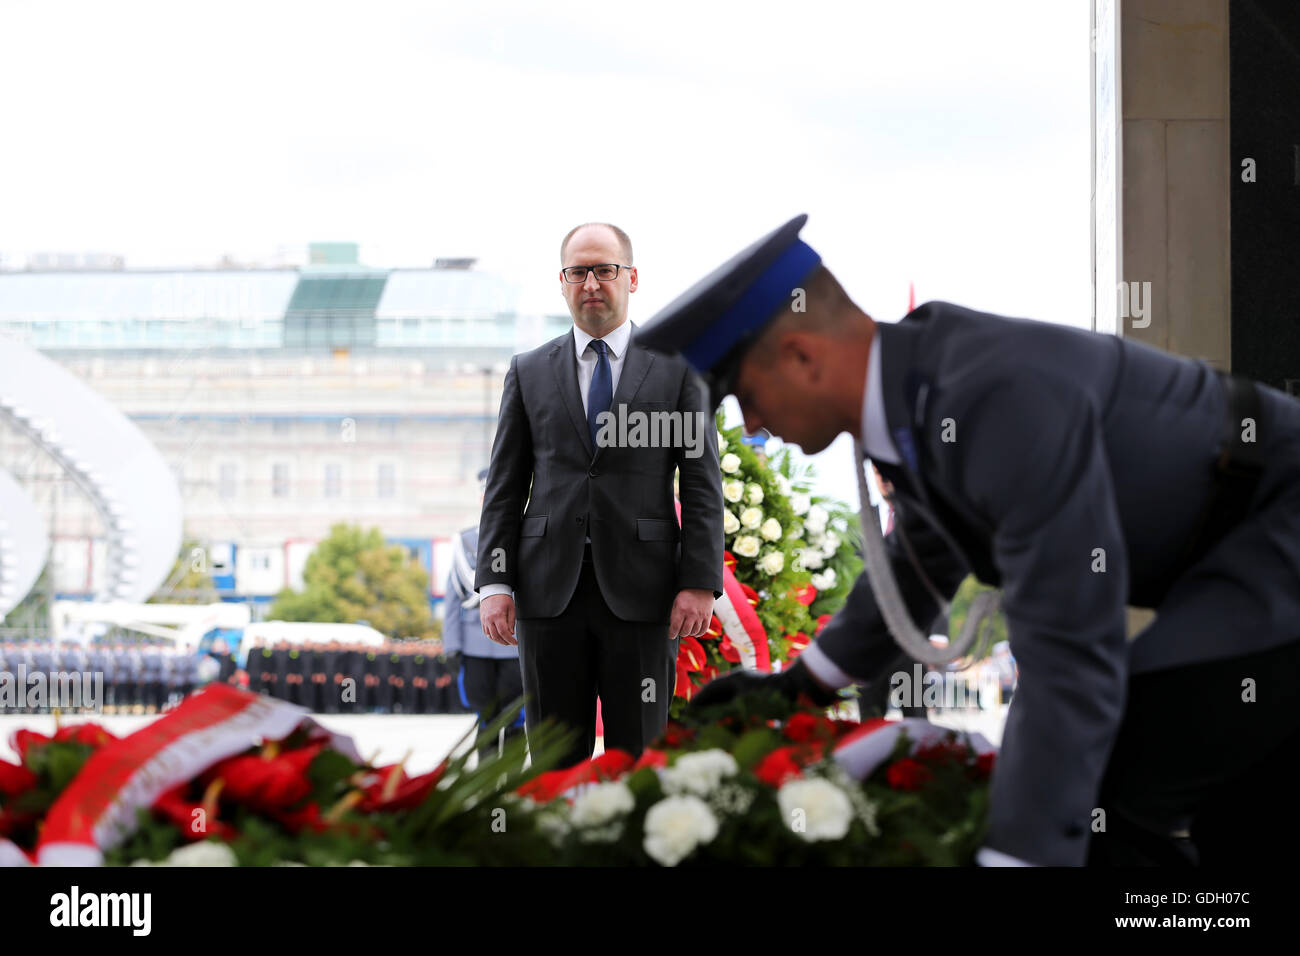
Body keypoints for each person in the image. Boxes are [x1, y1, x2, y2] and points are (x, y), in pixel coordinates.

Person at [636, 213, 1300, 867]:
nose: (752, 425)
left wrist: (1015, 856)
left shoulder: (989, 396)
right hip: (1237, 550)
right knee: (1227, 797)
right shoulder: (921, 386)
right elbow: (925, 555)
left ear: (801, 356)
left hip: (1278, 526)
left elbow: (1072, 649)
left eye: (746, 397)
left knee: (1117, 781)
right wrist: (801, 686)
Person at [476, 222, 725, 768]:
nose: (591, 283)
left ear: (631, 278)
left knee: (639, 757)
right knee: (552, 760)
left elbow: (703, 483)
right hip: (547, 597)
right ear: (562, 282)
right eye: (578, 272)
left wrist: (700, 582)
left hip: (645, 595)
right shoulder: (529, 371)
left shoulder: (680, 372)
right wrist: (495, 581)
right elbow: (505, 486)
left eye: (604, 270)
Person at [444, 493, 525, 761]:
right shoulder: (465, 541)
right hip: (474, 646)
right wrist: (452, 646)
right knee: (485, 717)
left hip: (515, 645)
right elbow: (454, 600)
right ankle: (486, 780)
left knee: (516, 716)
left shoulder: (527, 529)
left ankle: (513, 781)